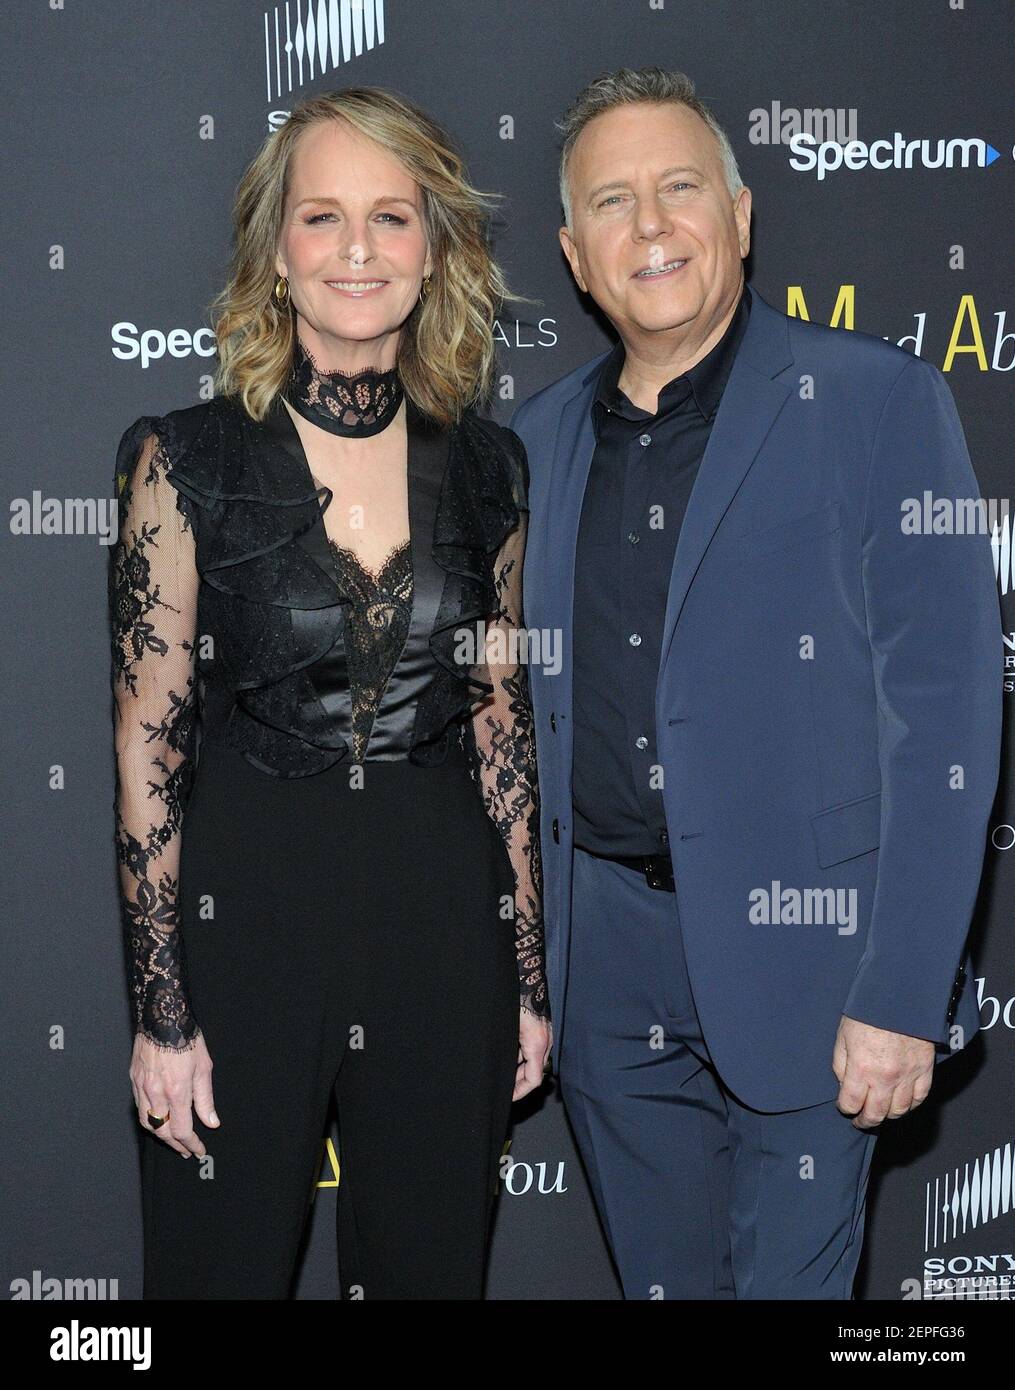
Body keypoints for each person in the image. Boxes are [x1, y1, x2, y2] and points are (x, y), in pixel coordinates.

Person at [510, 67, 1000, 1299]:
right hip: (605, 980)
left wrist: (902, 993)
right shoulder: (534, 445)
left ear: (740, 213)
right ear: (576, 254)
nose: (652, 225)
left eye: (680, 188)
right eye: (613, 202)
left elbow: (945, 713)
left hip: (813, 970)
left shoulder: (877, 402)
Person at [109, 86, 551, 1301]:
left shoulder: (488, 465)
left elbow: (500, 727)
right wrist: (160, 1009)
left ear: (433, 247)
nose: (358, 249)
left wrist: (524, 980)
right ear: (275, 251)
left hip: (441, 932)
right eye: (322, 217)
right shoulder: (183, 458)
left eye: (391, 217)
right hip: (244, 927)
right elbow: (149, 738)